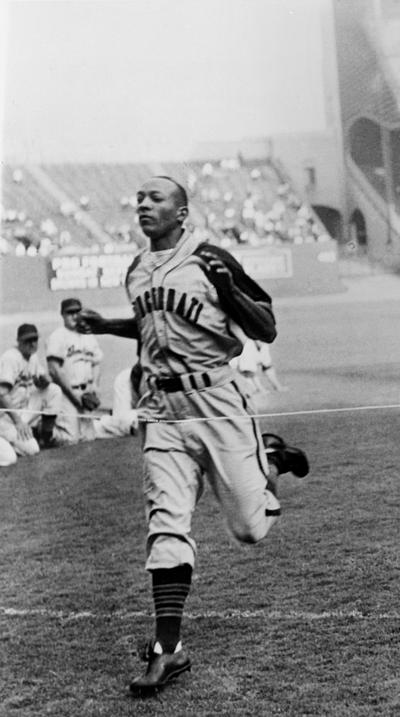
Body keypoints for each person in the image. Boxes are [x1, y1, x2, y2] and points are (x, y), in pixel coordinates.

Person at [77, 176, 310, 697]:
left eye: (155, 198)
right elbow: (154, 323)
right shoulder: (137, 270)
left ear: (182, 213)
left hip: (219, 404)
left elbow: (266, 327)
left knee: (250, 530)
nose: (142, 204)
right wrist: (106, 326)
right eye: (138, 197)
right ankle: (168, 649)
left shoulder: (210, 258)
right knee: (165, 525)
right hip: (162, 408)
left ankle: (268, 458)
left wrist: (227, 290)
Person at [0, 323, 66, 460]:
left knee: (54, 390)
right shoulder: (10, 358)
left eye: (34, 340)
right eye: (27, 340)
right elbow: (1, 394)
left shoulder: (33, 357)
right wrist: (18, 422)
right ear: (18, 341)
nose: (32, 344)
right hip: (5, 416)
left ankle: (46, 436)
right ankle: (8, 440)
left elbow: (44, 380)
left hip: (22, 411)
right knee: (32, 449)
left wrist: (45, 379)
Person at [46, 297, 104, 443]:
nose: (74, 316)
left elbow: (96, 362)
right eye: (69, 312)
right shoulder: (58, 336)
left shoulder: (88, 335)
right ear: (62, 315)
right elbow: (54, 370)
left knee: (89, 438)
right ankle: (45, 432)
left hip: (86, 392)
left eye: (77, 312)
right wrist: (74, 397)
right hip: (67, 393)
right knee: (70, 439)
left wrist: (95, 385)